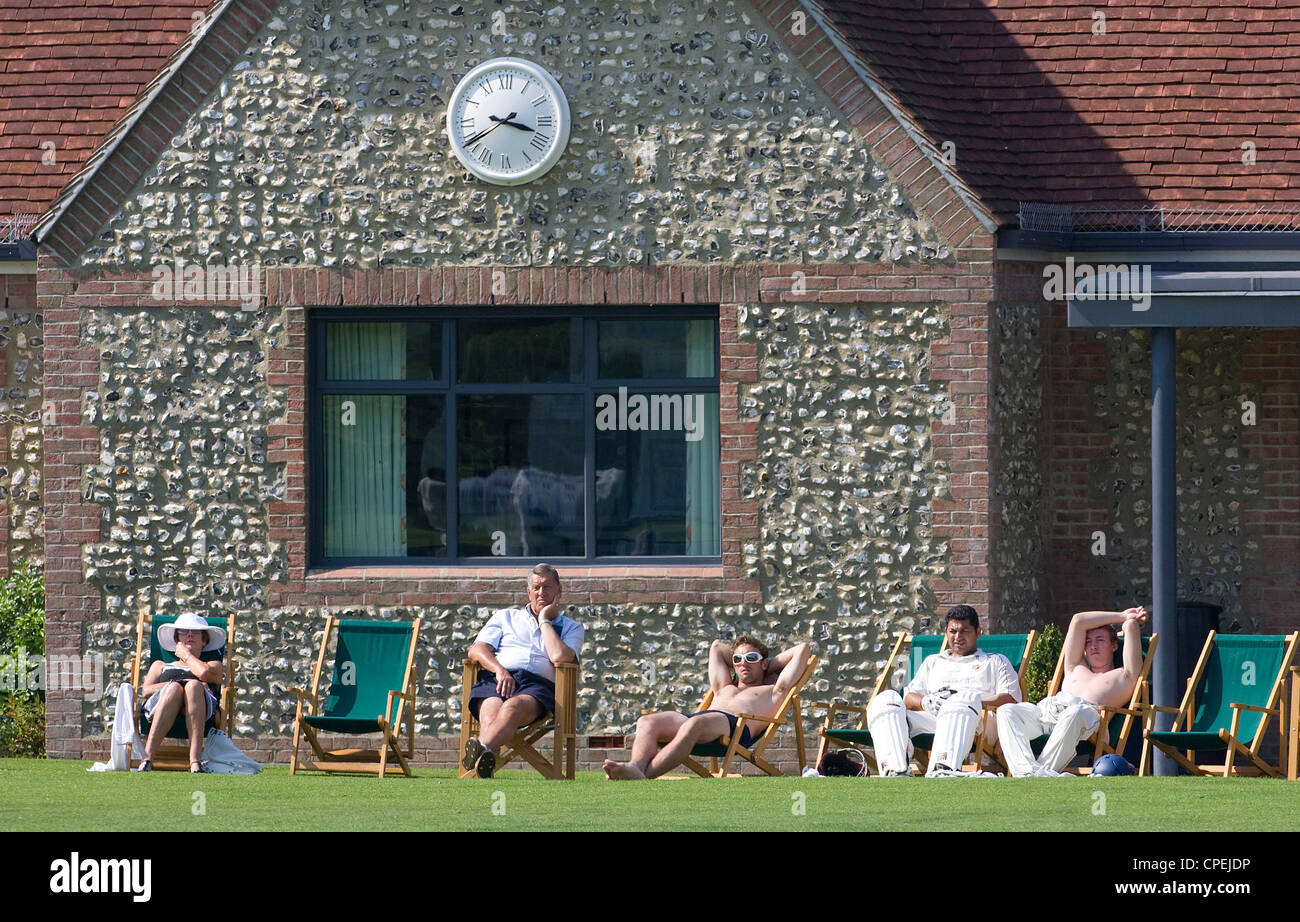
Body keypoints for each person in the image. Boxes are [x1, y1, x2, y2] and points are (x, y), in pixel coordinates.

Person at [603, 636, 812, 780]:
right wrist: (747, 663)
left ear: (764, 663)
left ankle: (644, 775)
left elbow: (802, 649)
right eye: (738, 659)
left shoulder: (774, 689)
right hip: (701, 721)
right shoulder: (724, 686)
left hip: (735, 728)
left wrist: (766, 666)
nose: (743, 663)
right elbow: (716, 647)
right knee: (647, 721)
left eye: (751, 658)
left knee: (696, 722)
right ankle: (635, 767)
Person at [866, 605, 1020, 777]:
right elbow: (909, 698)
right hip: (935, 717)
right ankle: (895, 771)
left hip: (979, 720)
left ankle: (943, 771)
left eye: (964, 631)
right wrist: (925, 702)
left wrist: (969, 700)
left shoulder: (995, 661)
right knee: (885, 701)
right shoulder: (933, 662)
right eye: (953, 631)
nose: (958, 637)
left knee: (960, 701)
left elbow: (1010, 698)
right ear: (946, 632)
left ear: (978, 632)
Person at [996, 606, 1148, 777]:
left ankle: (1042, 773)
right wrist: (1120, 615)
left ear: (1114, 645)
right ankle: (1026, 772)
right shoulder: (1074, 666)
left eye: (1100, 640)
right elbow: (1078, 620)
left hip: (1087, 718)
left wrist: (1130, 621)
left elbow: (1131, 628)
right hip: (1048, 712)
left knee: (1076, 711)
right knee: (1007, 710)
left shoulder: (1124, 675)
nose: (1093, 646)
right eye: (1088, 642)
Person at [462, 563, 583, 778]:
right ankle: (485, 758)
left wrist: (545, 620)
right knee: (491, 710)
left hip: (536, 688)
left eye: (547, 587)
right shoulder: (505, 617)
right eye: (536, 588)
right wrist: (499, 670)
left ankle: (480, 749)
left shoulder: (571, 627)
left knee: (512, 707)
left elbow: (559, 657)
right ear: (528, 592)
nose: (541, 593)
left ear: (559, 591)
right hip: (498, 679)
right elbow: (477, 650)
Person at [135, 612, 226, 773]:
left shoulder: (213, 664)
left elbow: (204, 674)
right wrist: (176, 683)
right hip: (164, 703)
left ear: (204, 640)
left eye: (196, 632)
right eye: (183, 631)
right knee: (175, 688)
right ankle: (147, 759)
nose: (189, 634)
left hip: (201, 707)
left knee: (193, 687)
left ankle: (195, 762)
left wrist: (187, 656)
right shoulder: (160, 665)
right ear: (177, 639)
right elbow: (146, 691)